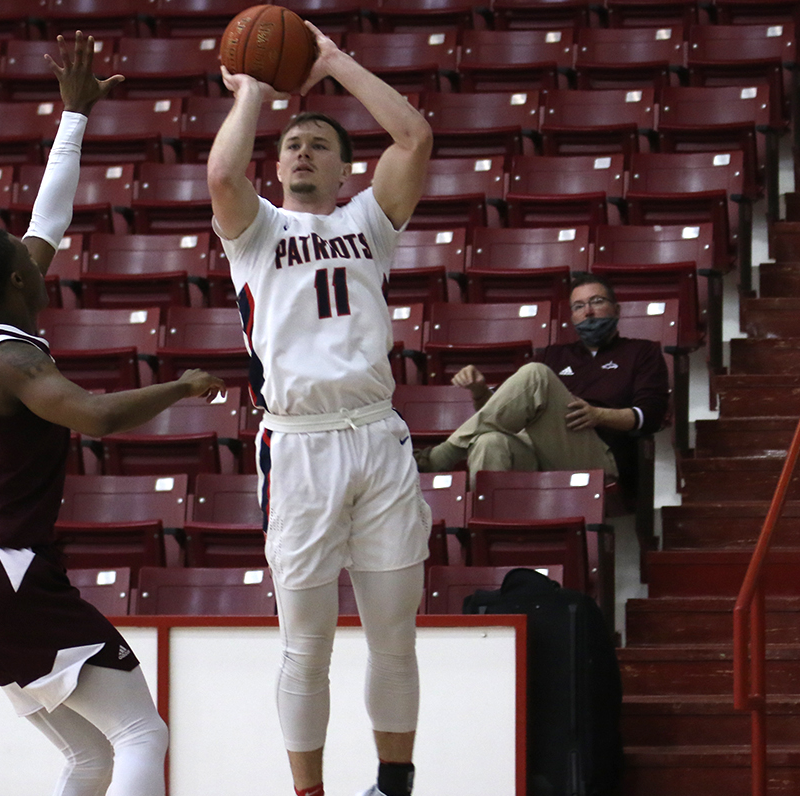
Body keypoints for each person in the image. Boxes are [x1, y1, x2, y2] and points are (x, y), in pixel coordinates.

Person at [0, 32, 225, 796]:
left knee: (88, 756)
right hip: (9, 575)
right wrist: (181, 386)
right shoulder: (16, 360)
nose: (39, 252)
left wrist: (74, 117)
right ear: (17, 280)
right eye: (25, 254)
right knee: (141, 732)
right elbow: (92, 417)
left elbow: (49, 216)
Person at [207, 20, 433, 796]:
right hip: (299, 445)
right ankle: (310, 793)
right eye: (292, 145)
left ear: (345, 169)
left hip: (376, 437)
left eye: (319, 145)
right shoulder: (256, 230)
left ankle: (394, 783)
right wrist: (255, 95)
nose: (302, 152)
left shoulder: (367, 222)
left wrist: (335, 63)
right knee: (306, 646)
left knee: (392, 636)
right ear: (277, 163)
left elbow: (413, 138)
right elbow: (221, 175)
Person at [415, 274, 669, 501]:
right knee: (489, 442)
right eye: (579, 306)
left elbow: (650, 416)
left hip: (598, 455)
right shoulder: (554, 354)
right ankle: (493, 531)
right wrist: (481, 392)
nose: (588, 312)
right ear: (572, 316)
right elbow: (501, 414)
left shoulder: (642, 351)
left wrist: (597, 414)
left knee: (536, 374)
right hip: (538, 452)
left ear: (617, 309)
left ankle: (442, 456)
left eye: (596, 302)